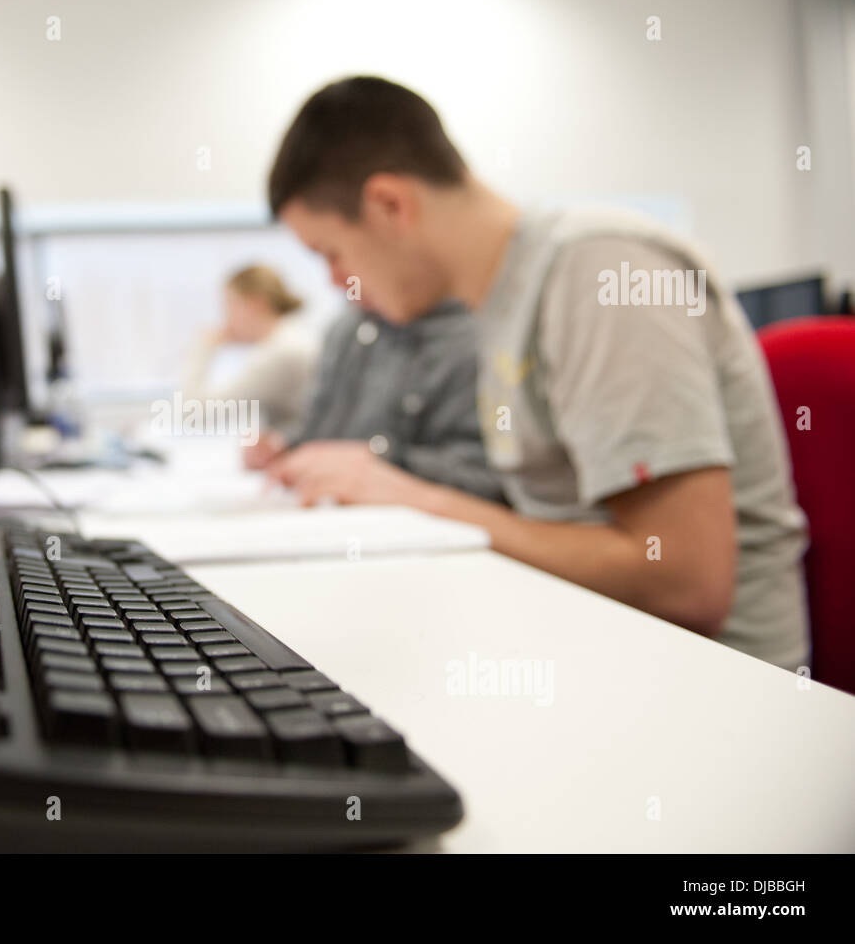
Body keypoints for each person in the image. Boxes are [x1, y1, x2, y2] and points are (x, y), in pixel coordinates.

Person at [264, 76, 809, 671]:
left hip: (705, 682)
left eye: (329, 253)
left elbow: (683, 583)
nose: (333, 282)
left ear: (390, 205)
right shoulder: (500, 304)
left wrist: (413, 498)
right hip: (587, 643)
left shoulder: (599, 271)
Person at [246, 300, 505, 502]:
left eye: (335, 254)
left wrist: (383, 459)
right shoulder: (347, 329)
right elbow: (320, 426)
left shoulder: (471, 336)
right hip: (332, 510)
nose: (337, 279)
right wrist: (286, 444)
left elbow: (489, 476)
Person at [180, 265, 317, 436]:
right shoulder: (291, 336)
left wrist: (203, 348)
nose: (226, 320)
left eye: (229, 307)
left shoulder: (280, 353)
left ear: (255, 304)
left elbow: (193, 414)